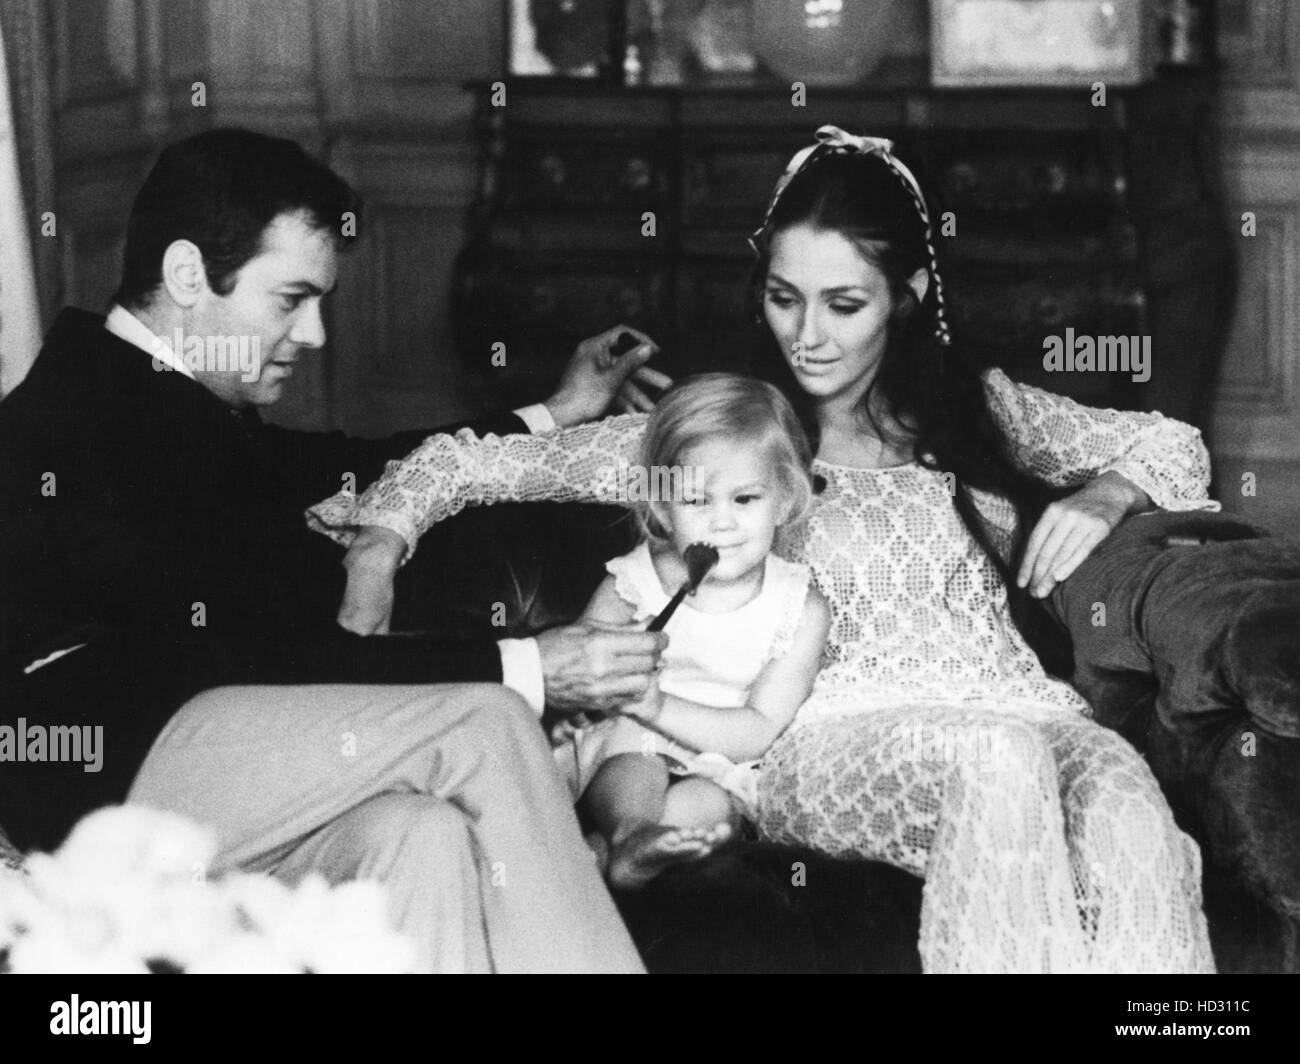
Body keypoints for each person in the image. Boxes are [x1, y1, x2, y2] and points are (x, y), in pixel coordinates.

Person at [314, 125, 1225, 973]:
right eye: (785, 299)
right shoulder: (728, 443)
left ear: (905, 299)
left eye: (844, 304)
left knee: (1123, 797)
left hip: (1014, 706)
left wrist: (1108, 495)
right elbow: (473, 467)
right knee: (997, 763)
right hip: (819, 741)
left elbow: (1172, 443)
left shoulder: (976, 409)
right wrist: (378, 544)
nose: (809, 336)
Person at [0, 127, 673, 972]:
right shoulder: (89, 415)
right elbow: (242, 647)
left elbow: (345, 462)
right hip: (85, 768)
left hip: (181, 758)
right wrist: (524, 663)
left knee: (415, 840)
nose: (315, 333)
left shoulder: (171, 401)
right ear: (185, 277)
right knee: (486, 721)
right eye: (291, 298)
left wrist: (551, 413)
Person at [553, 373, 829, 889]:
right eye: (699, 502)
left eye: (745, 499)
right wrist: (574, 708)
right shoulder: (634, 582)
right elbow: (575, 663)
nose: (721, 523)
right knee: (636, 759)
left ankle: (625, 854)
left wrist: (659, 706)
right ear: (663, 508)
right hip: (630, 742)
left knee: (710, 804)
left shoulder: (800, 606)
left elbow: (758, 729)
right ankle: (630, 830)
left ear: (786, 499)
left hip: (721, 756)